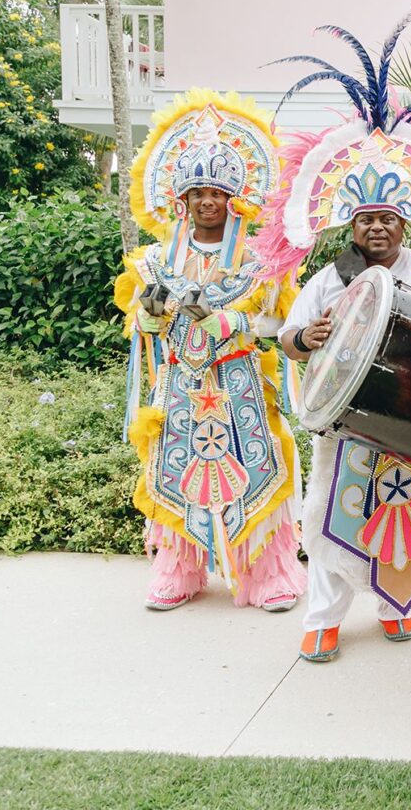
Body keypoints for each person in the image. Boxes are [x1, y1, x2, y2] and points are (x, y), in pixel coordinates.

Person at [251, 17, 411, 663]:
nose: (377, 227)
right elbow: (285, 338)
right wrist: (305, 339)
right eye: (367, 218)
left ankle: (394, 607)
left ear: (403, 224)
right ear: (352, 222)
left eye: (388, 218)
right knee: (333, 517)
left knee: (407, 518)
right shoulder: (327, 277)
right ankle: (322, 619)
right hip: (346, 425)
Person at [114, 90, 304, 612]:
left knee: (256, 468)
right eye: (197, 192)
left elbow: (276, 321)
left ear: (233, 199)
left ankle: (268, 575)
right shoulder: (153, 261)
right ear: (181, 199)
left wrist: (224, 319)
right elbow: (143, 329)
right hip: (179, 384)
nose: (206, 202)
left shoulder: (256, 260)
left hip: (238, 381)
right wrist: (151, 313)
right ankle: (180, 571)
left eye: (216, 193)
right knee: (176, 471)